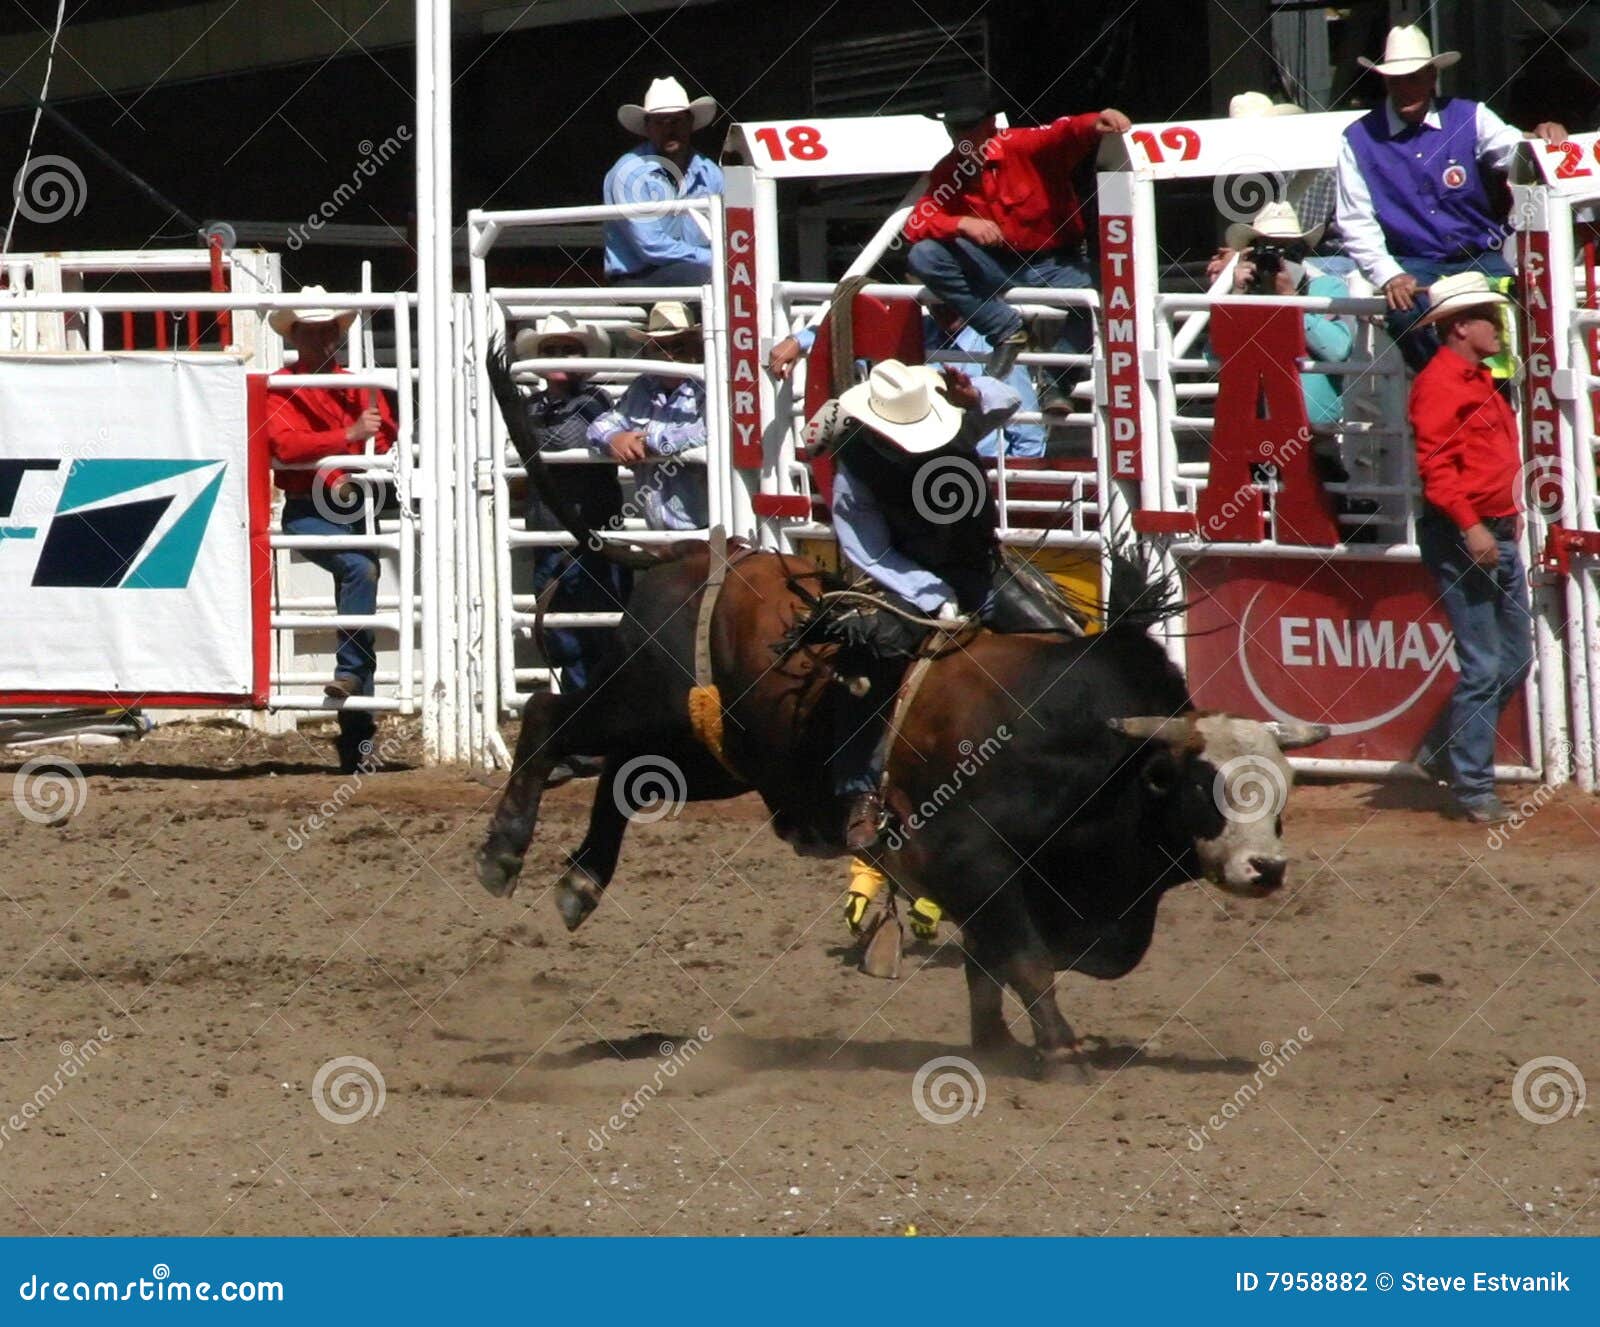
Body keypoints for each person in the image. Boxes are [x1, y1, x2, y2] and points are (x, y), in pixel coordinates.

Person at [820, 359, 1021, 850]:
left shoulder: (956, 414)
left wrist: (975, 397)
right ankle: (860, 791)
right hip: (907, 581)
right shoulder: (857, 466)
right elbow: (868, 550)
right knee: (871, 670)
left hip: (982, 566)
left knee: (1064, 636)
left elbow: (1007, 401)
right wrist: (934, 595)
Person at [1335, 24, 1566, 372]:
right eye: (1396, 80)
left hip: (1477, 253)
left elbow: (1513, 153)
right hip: (1413, 261)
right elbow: (1355, 221)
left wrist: (1541, 141)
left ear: (1431, 77)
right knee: (1407, 311)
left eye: (1413, 77)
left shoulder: (1469, 116)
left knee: (1523, 306)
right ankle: (1456, 389)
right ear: (1385, 82)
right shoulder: (1357, 139)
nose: (1404, 88)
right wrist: (1389, 275)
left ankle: (1488, 394)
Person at [901, 77, 1130, 379]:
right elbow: (915, 225)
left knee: (1115, 293)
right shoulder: (949, 171)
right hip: (994, 264)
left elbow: (1064, 133)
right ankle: (1005, 329)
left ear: (991, 122)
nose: (962, 136)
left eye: (970, 125)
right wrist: (961, 223)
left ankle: (1055, 380)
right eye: (956, 127)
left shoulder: (1025, 146)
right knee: (924, 256)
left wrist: (1096, 121)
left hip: (1056, 263)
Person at [1408, 273, 1532, 825]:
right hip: (1468, 533)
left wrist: (1503, 518)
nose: (1498, 325)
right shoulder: (1443, 385)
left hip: (1487, 528)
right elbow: (1436, 468)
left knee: (1510, 659)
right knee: (1489, 662)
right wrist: (1474, 526)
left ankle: (1445, 755)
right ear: (1462, 327)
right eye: (1488, 316)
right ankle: (1471, 788)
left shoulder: (1473, 378)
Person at [264, 286, 397, 774]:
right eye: (313, 330)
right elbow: (283, 444)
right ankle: (351, 688)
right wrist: (347, 441)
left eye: (328, 330)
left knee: (360, 583)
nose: (323, 338)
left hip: (350, 505)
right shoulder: (281, 386)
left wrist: (355, 447)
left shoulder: (355, 383)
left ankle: (356, 730)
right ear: (296, 334)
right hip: (310, 508)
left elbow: (384, 438)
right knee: (361, 572)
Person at [507, 314, 631, 781]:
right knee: (564, 638)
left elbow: (563, 441)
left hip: (591, 536)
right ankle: (583, 736)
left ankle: (598, 738)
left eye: (570, 350)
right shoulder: (541, 407)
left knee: (598, 636)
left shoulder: (594, 404)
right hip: (553, 535)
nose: (561, 358)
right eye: (552, 350)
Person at [767, 302, 1044, 455]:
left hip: (969, 468)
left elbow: (1029, 435)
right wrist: (799, 340)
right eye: (937, 298)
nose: (945, 307)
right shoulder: (907, 332)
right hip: (908, 464)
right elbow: (845, 335)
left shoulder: (994, 347)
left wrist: (1008, 491)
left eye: (952, 297)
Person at [587, 301, 708, 531]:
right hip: (658, 529)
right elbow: (602, 424)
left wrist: (650, 442)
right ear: (647, 352)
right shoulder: (642, 387)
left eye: (678, 346)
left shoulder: (709, 386)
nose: (669, 356)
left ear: (696, 349)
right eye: (659, 348)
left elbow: (711, 431)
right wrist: (613, 439)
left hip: (705, 528)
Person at [603, 76, 723, 287]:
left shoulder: (709, 171)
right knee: (719, 277)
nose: (669, 129)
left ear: (690, 122)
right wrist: (717, 261)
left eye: (676, 121)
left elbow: (731, 229)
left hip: (694, 274)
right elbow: (651, 246)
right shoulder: (630, 173)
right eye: (660, 122)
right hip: (638, 281)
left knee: (732, 277)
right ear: (648, 127)